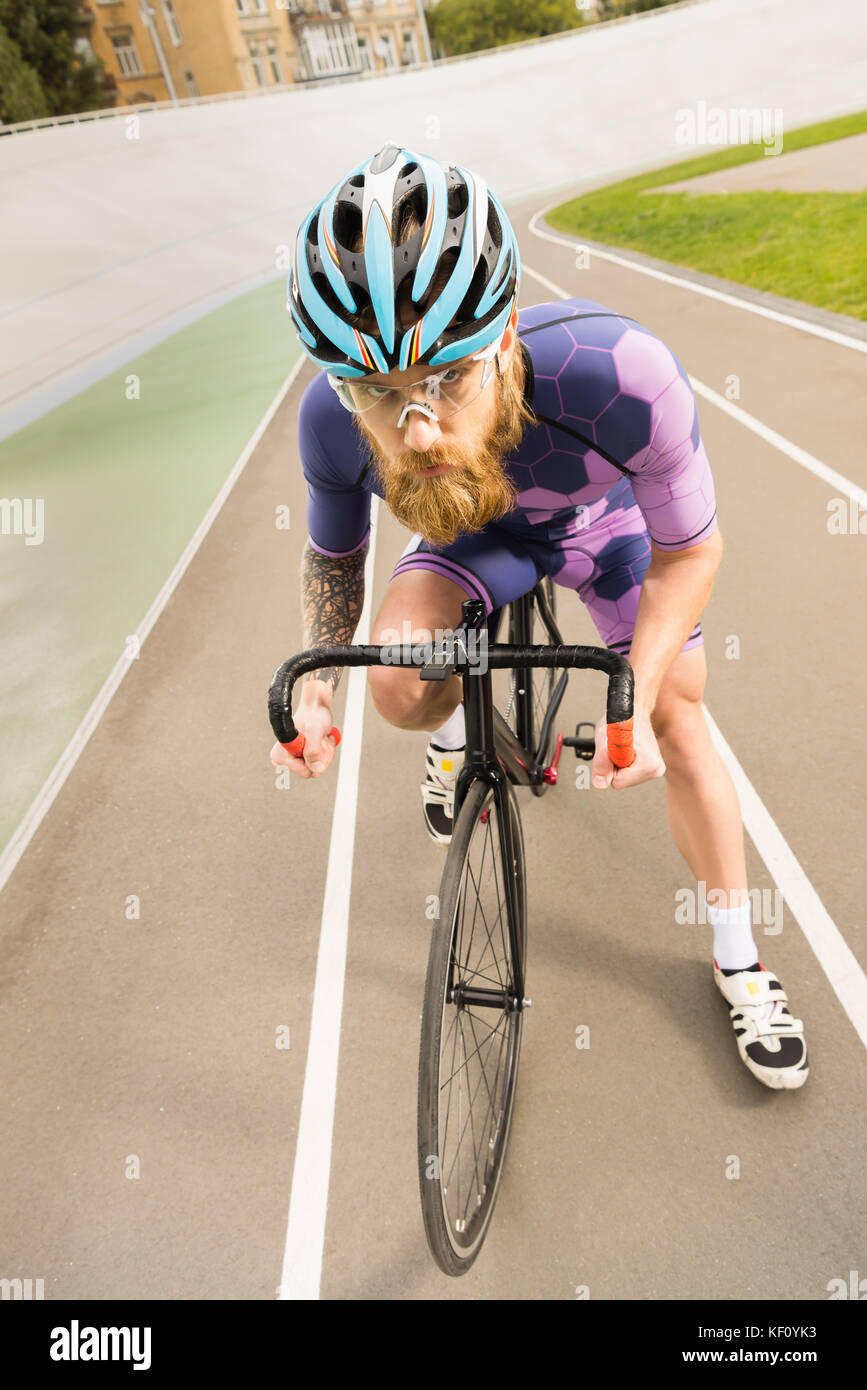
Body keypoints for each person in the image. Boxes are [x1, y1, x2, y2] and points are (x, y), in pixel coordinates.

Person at [271, 141, 808, 1090]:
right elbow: (336, 556)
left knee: (679, 715)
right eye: (378, 394)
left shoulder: (623, 374)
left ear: (507, 338)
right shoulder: (328, 419)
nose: (417, 431)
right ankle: (451, 733)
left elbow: (689, 552)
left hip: (607, 531)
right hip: (471, 537)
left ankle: (737, 956)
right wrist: (316, 684)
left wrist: (631, 703)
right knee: (397, 680)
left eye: (446, 378)